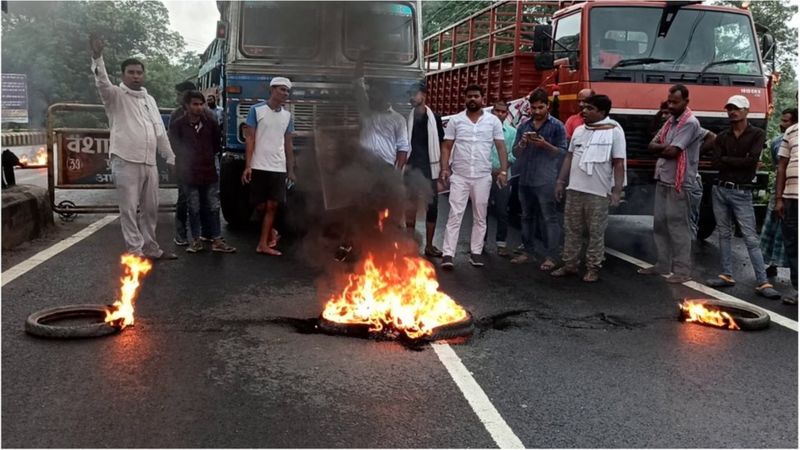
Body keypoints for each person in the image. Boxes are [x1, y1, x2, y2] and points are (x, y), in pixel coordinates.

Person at [90, 34, 177, 260]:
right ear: (123, 75)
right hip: (126, 159)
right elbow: (102, 83)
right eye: (131, 72)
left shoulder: (150, 100)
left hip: (149, 162)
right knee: (128, 209)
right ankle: (135, 250)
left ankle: (150, 247)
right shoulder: (115, 95)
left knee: (150, 208)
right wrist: (97, 58)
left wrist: (170, 156)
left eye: (139, 72)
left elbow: (159, 130)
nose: (136, 76)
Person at [703, 95, 780, 299]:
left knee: (749, 237)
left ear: (746, 111)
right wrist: (740, 160)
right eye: (729, 108)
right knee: (724, 233)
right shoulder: (722, 136)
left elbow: (752, 160)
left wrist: (730, 160)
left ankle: (762, 281)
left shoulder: (757, 133)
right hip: (720, 188)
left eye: (736, 108)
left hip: (741, 190)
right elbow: (715, 163)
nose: (732, 112)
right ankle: (727, 274)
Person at [552, 94, 626, 282]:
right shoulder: (579, 130)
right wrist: (561, 181)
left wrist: (617, 190)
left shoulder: (614, 131)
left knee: (595, 232)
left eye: (590, 108)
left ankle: (593, 267)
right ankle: (570, 264)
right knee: (571, 229)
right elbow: (569, 157)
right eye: (584, 107)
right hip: (575, 188)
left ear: (602, 112)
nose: (584, 111)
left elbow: (618, 163)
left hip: (598, 192)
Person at [439, 84, 509, 269]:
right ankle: (448, 254)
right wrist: (444, 168)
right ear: (465, 99)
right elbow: (446, 146)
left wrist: (503, 171)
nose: (472, 99)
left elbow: (501, 147)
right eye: (469, 96)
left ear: (482, 99)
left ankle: (476, 253)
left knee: (480, 215)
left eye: (476, 96)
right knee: (455, 215)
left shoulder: (493, 121)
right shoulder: (456, 120)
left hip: (482, 177)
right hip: (460, 176)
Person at [639, 84, 700, 283]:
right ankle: (663, 263)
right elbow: (651, 145)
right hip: (664, 178)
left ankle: (682, 270)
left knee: (678, 226)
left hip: (679, 182)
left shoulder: (690, 123)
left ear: (686, 102)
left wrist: (662, 148)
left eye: (675, 102)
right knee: (660, 223)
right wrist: (664, 147)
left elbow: (673, 152)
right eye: (670, 101)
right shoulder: (670, 122)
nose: (671, 106)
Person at [168, 91, 235, 254]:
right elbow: (174, 147)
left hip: (208, 171)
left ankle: (217, 240)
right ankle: (196, 240)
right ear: (186, 106)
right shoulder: (178, 125)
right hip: (189, 174)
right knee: (194, 207)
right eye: (195, 104)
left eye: (200, 104)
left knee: (213, 206)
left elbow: (216, 146)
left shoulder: (210, 123)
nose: (198, 108)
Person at [509, 88, 568, 270]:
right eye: (533, 108)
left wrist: (544, 145)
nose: (536, 111)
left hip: (545, 179)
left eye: (540, 107)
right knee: (526, 217)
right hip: (526, 178)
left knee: (548, 218)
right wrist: (522, 144)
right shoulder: (524, 126)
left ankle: (551, 256)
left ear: (547, 106)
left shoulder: (557, 126)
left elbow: (563, 153)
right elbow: (515, 153)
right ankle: (528, 252)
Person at [241, 77, 295, 256]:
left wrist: (291, 169)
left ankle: (263, 244)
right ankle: (271, 232)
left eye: (287, 91)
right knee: (259, 206)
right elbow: (250, 138)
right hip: (258, 164)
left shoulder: (287, 116)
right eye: (282, 89)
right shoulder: (256, 110)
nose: (285, 94)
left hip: (278, 166)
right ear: (272, 90)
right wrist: (248, 165)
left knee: (273, 206)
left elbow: (288, 144)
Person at [404, 81, 445, 258]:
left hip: (431, 167)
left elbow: (443, 144)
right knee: (410, 206)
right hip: (411, 168)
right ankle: (410, 244)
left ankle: (429, 245)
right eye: (409, 95)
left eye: (415, 93)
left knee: (432, 206)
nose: (411, 98)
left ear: (424, 95)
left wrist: (444, 168)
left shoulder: (434, 118)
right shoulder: (406, 117)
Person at [761, 108, 797, 278]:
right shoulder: (777, 142)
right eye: (781, 121)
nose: (782, 125)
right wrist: (778, 197)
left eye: (786, 121)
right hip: (782, 191)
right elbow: (779, 167)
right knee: (775, 231)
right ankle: (772, 263)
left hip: (791, 193)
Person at [488, 101, 517, 256]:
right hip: (484, 175)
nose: (499, 114)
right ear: (492, 112)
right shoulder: (484, 130)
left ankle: (501, 243)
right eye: (496, 111)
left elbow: (513, 154)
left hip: (503, 176)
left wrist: (502, 170)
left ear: (507, 114)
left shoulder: (512, 132)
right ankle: (480, 243)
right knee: (482, 210)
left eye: (503, 112)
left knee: (501, 210)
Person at [170, 80, 197, 247]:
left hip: (202, 163)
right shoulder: (176, 115)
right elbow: (172, 139)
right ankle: (181, 234)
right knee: (184, 198)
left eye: (180, 94)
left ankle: (201, 234)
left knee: (204, 199)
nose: (178, 97)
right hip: (184, 162)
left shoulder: (205, 113)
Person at [775, 120, 798, 304]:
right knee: (792, 245)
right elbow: (782, 166)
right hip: (790, 197)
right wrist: (779, 198)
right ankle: (798, 289)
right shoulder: (791, 131)